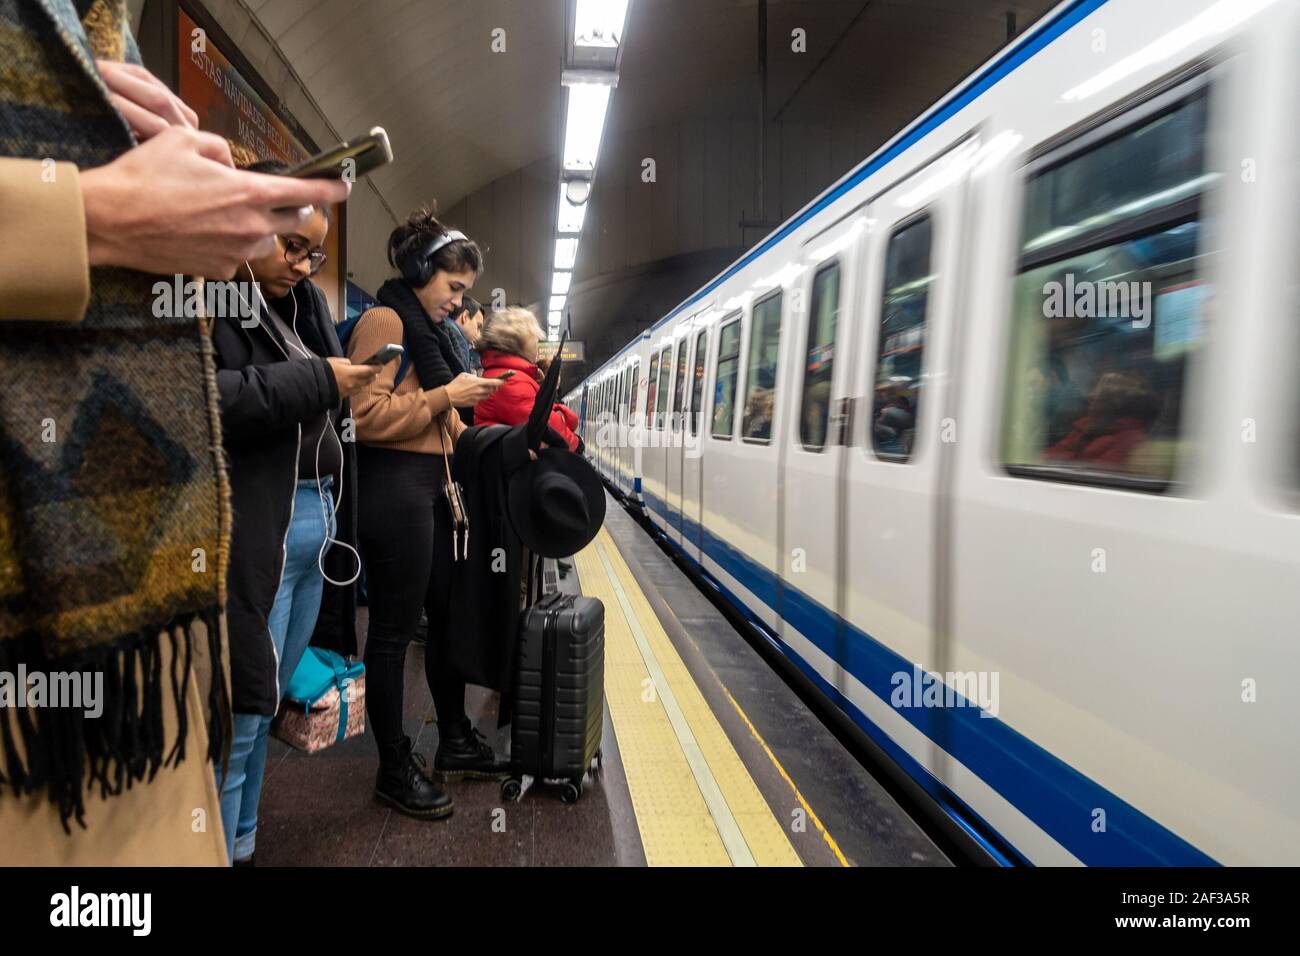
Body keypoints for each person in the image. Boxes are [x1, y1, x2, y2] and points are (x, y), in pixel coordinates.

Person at [0, 0, 347, 864]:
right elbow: (231, 396)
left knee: (241, 711)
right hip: (52, 633)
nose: (301, 265)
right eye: (291, 245)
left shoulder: (95, 26)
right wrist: (90, 213)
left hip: (142, 630)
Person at [209, 160, 377, 865]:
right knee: (241, 709)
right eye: (292, 246)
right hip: (259, 526)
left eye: (316, 252)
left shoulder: (302, 307)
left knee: (270, 696)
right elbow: (211, 396)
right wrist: (319, 379)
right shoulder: (209, 293)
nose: (305, 266)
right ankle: (217, 847)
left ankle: (245, 836)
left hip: (313, 522)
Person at [346, 206, 504, 819]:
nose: (458, 301)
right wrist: (446, 396)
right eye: (453, 287)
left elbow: (450, 426)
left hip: (430, 490)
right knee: (390, 633)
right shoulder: (385, 319)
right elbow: (363, 416)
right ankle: (393, 766)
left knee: (444, 618)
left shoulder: (430, 336)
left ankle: (456, 739)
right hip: (394, 493)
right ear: (420, 269)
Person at [473, 308, 583, 451]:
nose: (537, 345)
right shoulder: (511, 381)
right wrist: (576, 444)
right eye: (534, 339)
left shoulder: (506, 374)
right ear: (517, 342)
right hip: (517, 468)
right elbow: (547, 425)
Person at [447, 295, 485, 376]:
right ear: (465, 317)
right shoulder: (456, 341)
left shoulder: (446, 333)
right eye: (478, 326)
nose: (479, 334)